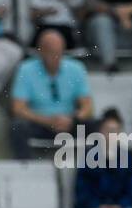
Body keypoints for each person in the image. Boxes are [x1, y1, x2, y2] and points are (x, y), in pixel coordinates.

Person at [9, 28, 94, 159]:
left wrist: (72, 119)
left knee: (97, 125)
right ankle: (25, 169)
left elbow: (87, 107)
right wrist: (48, 121)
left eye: (59, 52)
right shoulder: (26, 69)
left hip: (69, 122)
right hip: (40, 123)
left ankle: (91, 172)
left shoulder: (76, 68)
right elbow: (18, 109)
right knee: (18, 126)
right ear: (40, 52)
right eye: (51, 53)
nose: (56, 57)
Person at [74, 108, 132, 208]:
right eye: (108, 130)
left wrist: (120, 207)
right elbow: (82, 191)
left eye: (115, 131)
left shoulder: (128, 158)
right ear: (100, 132)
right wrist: (100, 207)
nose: (111, 135)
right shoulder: (89, 157)